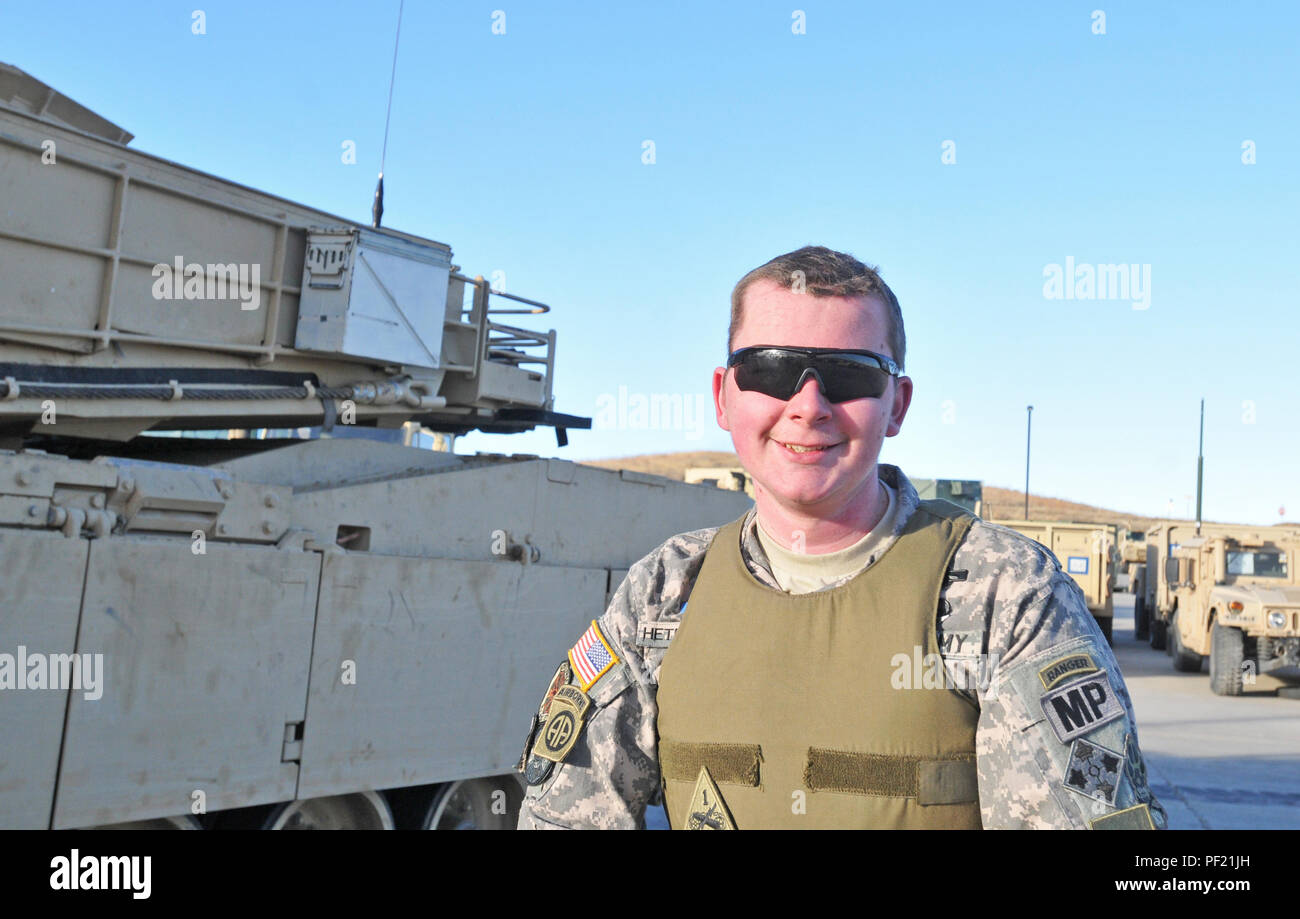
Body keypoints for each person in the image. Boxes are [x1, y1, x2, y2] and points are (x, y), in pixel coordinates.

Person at [516, 246, 1166, 830]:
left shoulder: (1003, 594)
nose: (808, 404)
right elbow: (564, 815)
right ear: (723, 395)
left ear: (899, 403)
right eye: (770, 369)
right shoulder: (666, 592)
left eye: (850, 373)